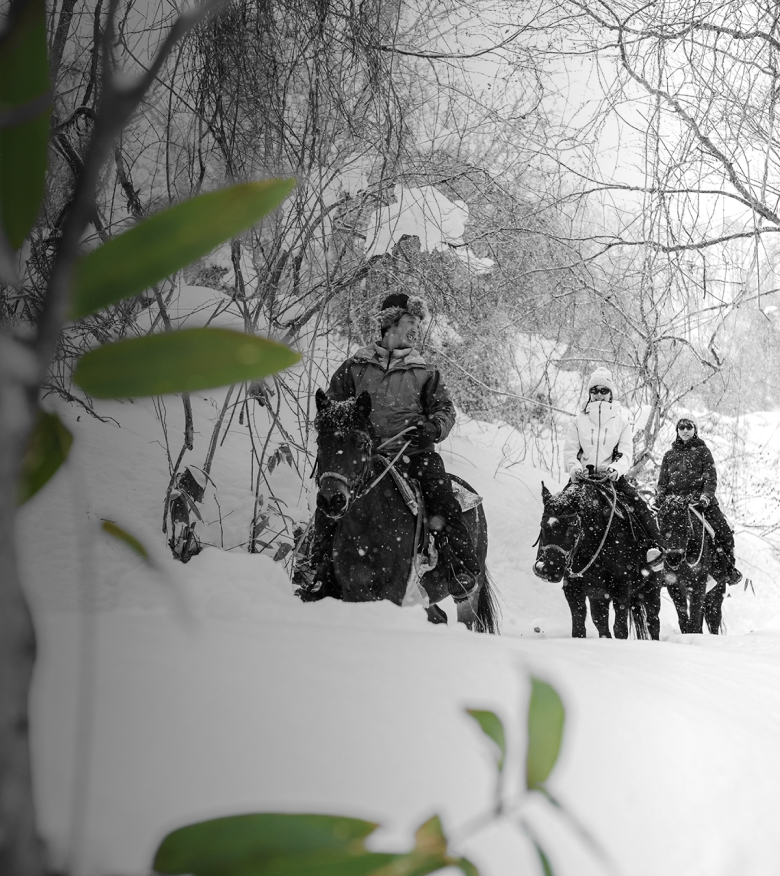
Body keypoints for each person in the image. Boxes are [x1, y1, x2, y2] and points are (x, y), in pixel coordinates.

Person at [308, 292, 481, 601]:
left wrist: (432, 428)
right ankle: (314, 565)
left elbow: (445, 411)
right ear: (389, 324)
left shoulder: (426, 371)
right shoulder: (354, 367)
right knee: (329, 498)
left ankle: (458, 568)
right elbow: (332, 409)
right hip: (363, 454)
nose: (412, 330)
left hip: (412, 453)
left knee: (441, 496)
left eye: (415, 324)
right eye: (408, 323)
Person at [563, 367, 664, 568]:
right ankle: (548, 558)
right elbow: (570, 453)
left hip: (612, 480)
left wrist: (615, 469)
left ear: (611, 393)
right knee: (555, 509)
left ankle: (656, 550)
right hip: (582, 479)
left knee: (639, 507)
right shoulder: (577, 422)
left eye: (603, 390)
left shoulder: (622, 421)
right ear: (590, 393)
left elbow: (626, 454)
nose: (599, 394)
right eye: (595, 390)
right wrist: (575, 469)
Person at [656, 416, 742, 586]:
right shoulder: (669, 455)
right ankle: (655, 569)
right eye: (682, 427)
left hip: (700, 503)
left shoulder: (703, 452)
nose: (685, 430)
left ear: (695, 429)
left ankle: (729, 569)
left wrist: (705, 498)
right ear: (677, 431)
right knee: (652, 529)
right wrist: (660, 496)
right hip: (675, 504)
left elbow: (711, 479)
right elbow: (662, 482)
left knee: (723, 532)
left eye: (689, 427)